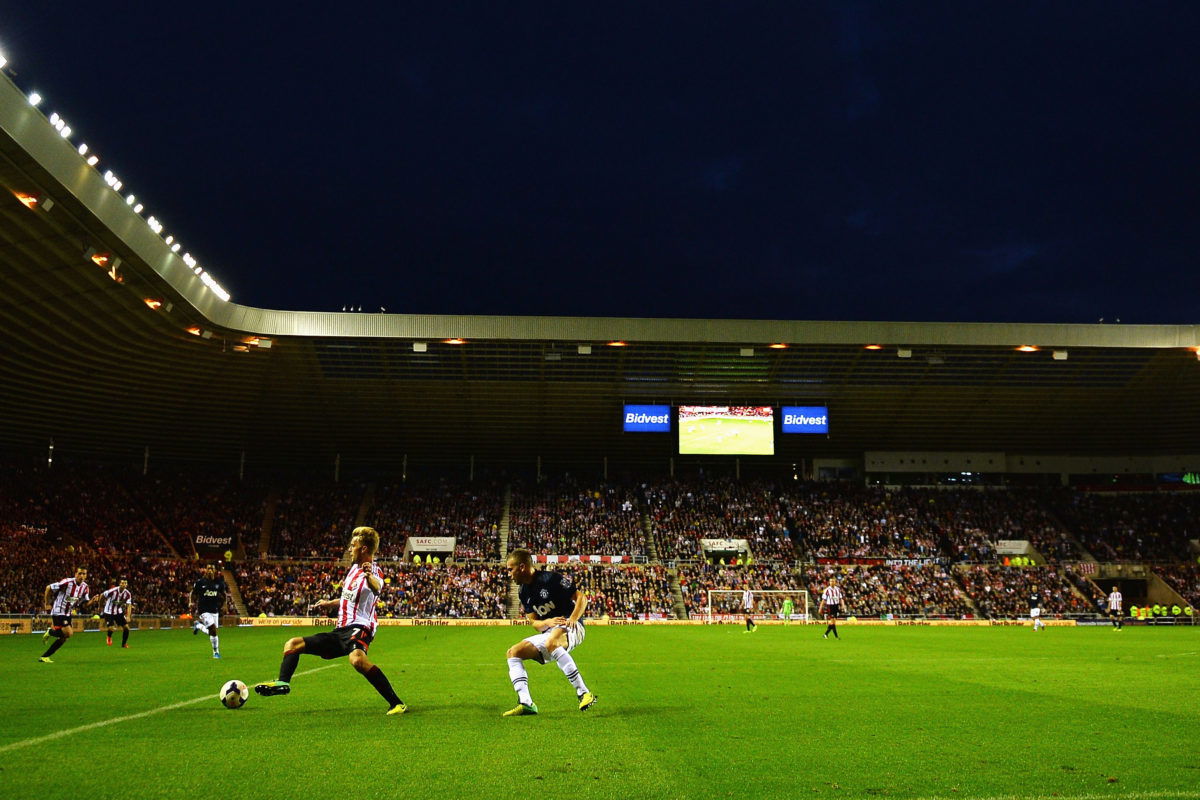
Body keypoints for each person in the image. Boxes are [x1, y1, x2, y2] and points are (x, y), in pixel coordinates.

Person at [254, 527, 407, 715]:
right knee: (293, 644)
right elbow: (348, 599)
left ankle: (397, 703)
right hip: (340, 631)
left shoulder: (374, 571)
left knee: (357, 660)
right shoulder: (353, 570)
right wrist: (329, 603)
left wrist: (368, 576)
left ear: (364, 549)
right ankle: (283, 683)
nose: (349, 549)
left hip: (360, 627)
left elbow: (377, 588)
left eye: (353, 546)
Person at [502, 548, 596, 716]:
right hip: (549, 632)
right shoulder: (523, 592)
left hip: (571, 626)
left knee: (552, 641)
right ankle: (526, 703)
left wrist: (573, 619)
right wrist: (546, 622)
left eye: (510, 569)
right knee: (513, 652)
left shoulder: (551, 579)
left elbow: (581, 598)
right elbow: (534, 622)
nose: (509, 574)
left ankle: (584, 693)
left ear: (522, 567)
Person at [39, 567, 92, 663]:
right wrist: (47, 603)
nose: (81, 576)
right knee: (69, 633)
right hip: (58, 611)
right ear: (75, 574)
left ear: (86, 575)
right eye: (80, 573)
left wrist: (92, 601)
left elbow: (85, 604)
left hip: (68, 613)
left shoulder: (85, 587)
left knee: (64, 638)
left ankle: (45, 657)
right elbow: (48, 588)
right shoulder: (67, 582)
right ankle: (50, 632)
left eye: (84, 574)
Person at [191, 564, 229, 658]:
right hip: (203, 609)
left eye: (212, 568)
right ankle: (216, 652)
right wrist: (191, 602)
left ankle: (198, 625)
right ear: (206, 570)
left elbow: (224, 594)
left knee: (213, 632)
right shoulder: (200, 582)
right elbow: (193, 593)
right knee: (213, 630)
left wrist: (225, 605)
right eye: (208, 568)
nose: (210, 570)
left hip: (214, 609)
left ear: (215, 570)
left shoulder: (219, 582)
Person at [100, 578, 134, 647]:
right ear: (119, 584)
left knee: (126, 628)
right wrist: (100, 606)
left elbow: (129, 605)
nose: (124, 585)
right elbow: (102, 595)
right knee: (111, 628)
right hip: (109, 611)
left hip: (119, 612)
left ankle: (124, 644)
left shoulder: (128, 594)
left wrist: (128, 616)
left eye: (125, 583)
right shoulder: (113, 591)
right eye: (122, 583)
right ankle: (109, 636)